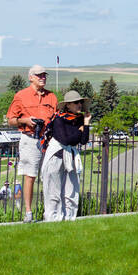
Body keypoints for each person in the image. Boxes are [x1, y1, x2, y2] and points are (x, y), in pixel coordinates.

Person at [5, 65, 56, 222]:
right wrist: (25, 120)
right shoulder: (21, 96)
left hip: (47, 140)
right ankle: (28, 212)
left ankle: (51, 211)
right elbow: (10, 120)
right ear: (31, 78)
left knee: (50, 175)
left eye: (44, 75)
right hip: (30, 139)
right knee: (30, 176)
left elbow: (55, 118)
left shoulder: (52, 97)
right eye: (39, 75)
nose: (43, 78)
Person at [40, 91, 91, 221]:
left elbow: (84, 140)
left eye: (80, 102)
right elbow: (65, 140)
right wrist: (79, 132)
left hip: (71, 156)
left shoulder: (80, 119)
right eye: (76, 102)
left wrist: (86, 124)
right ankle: (52, 219)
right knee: (53, 190)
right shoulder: (59, 119)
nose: (79, 105)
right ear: (68, 105)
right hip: (56, 155)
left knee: (71, 190)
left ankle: (69, 218)